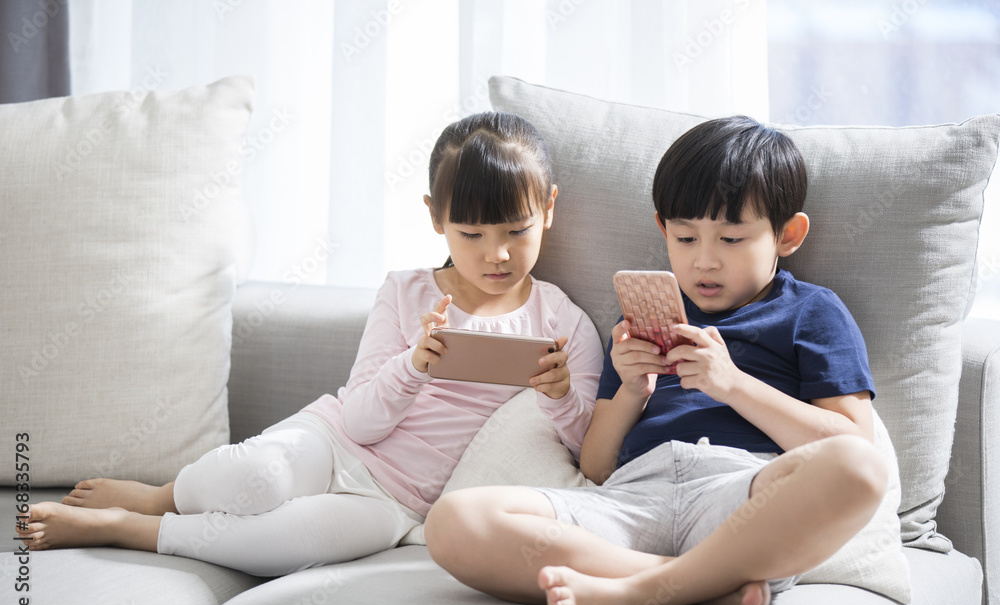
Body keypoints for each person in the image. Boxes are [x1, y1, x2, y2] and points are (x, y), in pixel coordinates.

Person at [15, 111, 605, 577]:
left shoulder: (565, 323)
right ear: (435, 218)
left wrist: (556, 398)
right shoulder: (405, 293)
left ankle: (126, 527)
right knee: (257, 480)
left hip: (396, 504)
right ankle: (162, 496)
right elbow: (363, 420)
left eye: (516, 231)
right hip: (334, 440)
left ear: (547, 209)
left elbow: (585, 449)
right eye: (471, 234)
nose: (495, 254)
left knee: (285, 543)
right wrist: (414, 366)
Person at [423, 116, 888, 605]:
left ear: (787, 235)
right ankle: (698, 587)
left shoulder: (814, 313)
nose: (704, 261)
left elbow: (853, 442)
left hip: (741, 498)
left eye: (731, 240)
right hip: (631, 499)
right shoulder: (637, 321)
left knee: (857, 469)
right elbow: (597, 469)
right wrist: (629, 392)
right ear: (662, 229)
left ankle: (639, 592)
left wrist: (731, 384)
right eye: (685, 238)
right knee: (453, 522)